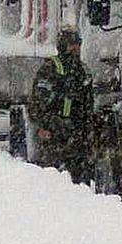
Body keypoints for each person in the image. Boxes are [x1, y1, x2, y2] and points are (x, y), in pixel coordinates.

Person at [29, 27, 94, 184]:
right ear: (63, 45)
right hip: (54, 131)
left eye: (78, 44)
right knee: (54, 177)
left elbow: (88, 101)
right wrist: (42, 126)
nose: (75, 48)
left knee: (80, 179)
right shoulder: (51, 68)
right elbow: (38, 100)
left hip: (78, 133)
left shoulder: (83, 70)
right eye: (71, 44)